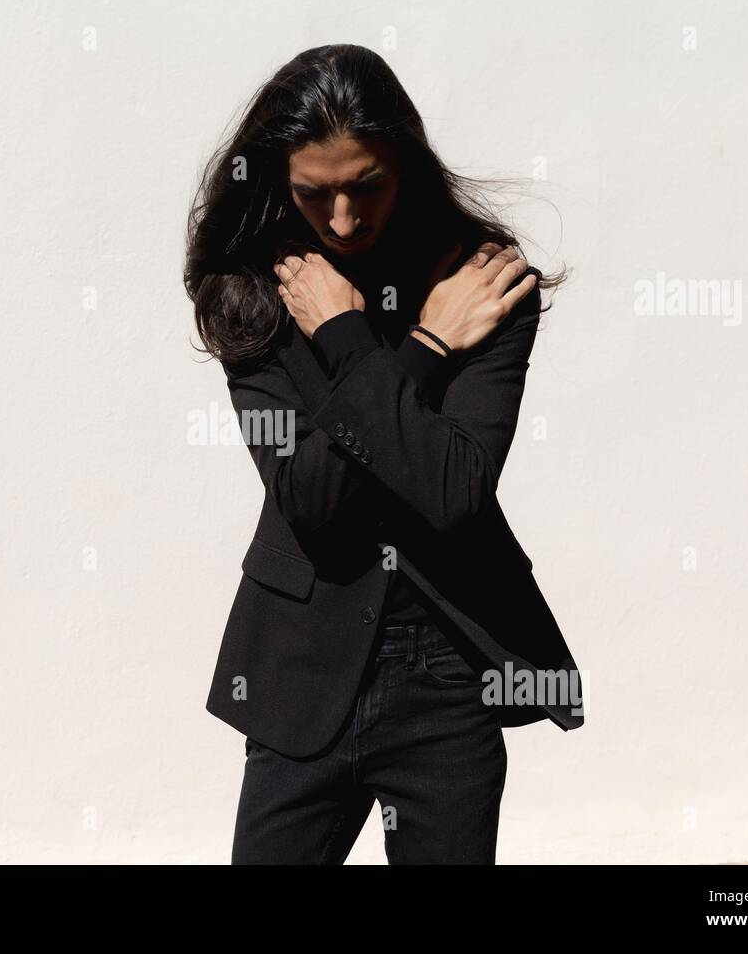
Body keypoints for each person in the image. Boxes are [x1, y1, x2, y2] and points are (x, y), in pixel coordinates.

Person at [183, 44, 586, 864]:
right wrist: (423, 345)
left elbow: (453, 490)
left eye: (366, 185)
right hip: (302, 664)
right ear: (276, 181)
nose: (341, 218)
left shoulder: (484, 282)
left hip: (447, 674)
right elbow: (315, 505)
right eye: (313, 193)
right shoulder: (251, 295)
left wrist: (351, 341)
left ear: (405, 163)